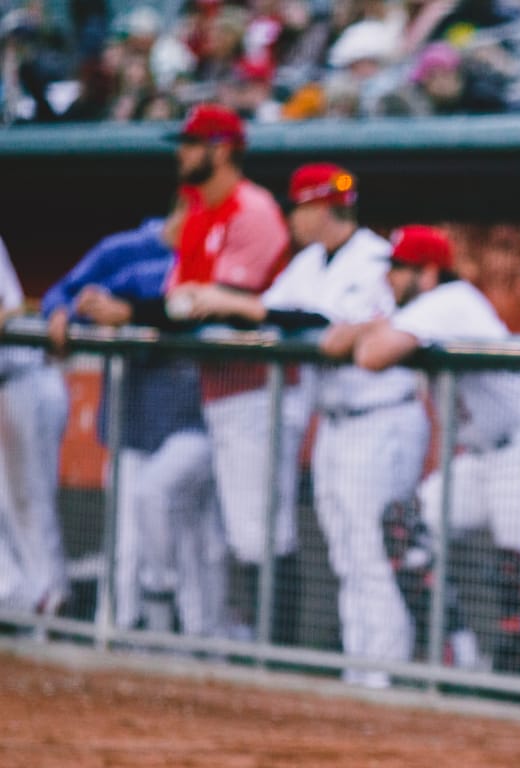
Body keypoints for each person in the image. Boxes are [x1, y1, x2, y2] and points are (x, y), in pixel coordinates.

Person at [176, 164, 428, 687]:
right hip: (336, 423)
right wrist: (227, 301)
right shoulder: (311, 262)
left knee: (373, 552)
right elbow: (272, 309)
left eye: (300, 207)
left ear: (319, 208)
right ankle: (362, 671)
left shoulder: (376, 259)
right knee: (345, 552)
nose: (294, 218)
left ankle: (385, 676)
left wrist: (228, 299)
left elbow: (316, 323)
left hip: (382, 418)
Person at [346, 225, 520, 677]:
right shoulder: (427, 308)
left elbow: (370, 355)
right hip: (484, 457)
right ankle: (456, 654)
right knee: (405, 526)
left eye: (399, 269)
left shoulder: (450, 301)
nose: (389, 279)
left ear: (429, 273)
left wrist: (365, 328)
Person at [108, 104, 302, 644]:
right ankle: (217, 636)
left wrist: (141, 311)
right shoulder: (198, 212)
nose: (182, 154)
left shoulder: (253, 210)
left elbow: (216, 305)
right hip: (217, 391)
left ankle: (277, 657)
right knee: (220, 532)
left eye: (192, 144)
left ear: (221, 150)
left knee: (260, 533)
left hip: (259, 390)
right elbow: (179, 298)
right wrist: (152, 306)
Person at [43, 217, 225, 638]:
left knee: (201, 542)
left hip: (195, 422)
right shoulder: (127, 253)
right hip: (132, 421)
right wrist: (68, 312)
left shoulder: (216, 260)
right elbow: (68, 294)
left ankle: (199, 639)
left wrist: (129, 312)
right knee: (125, 543)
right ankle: (121, 634)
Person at [0, 235, 68, 620]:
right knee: (11, 502)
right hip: (9, 387)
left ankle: (50, 602)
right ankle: (27, 600)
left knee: (28, 499)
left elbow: (7, 313)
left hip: (26, 380)